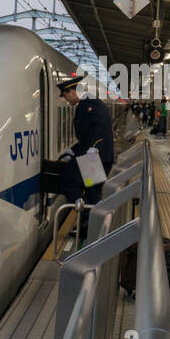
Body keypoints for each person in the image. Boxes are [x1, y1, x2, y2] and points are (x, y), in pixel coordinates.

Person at [56, 74, 115, 240]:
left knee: (67, 180)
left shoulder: (88, 105)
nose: (67, 100)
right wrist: (73, 150)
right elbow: (87, 137)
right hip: (96, 155)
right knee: (92, 191)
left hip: (95, 157)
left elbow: (99, 131)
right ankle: (89, 228)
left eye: (66, 95)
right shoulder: (89, 103)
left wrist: (93, 150)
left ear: (72, 91)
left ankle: (88, 218)